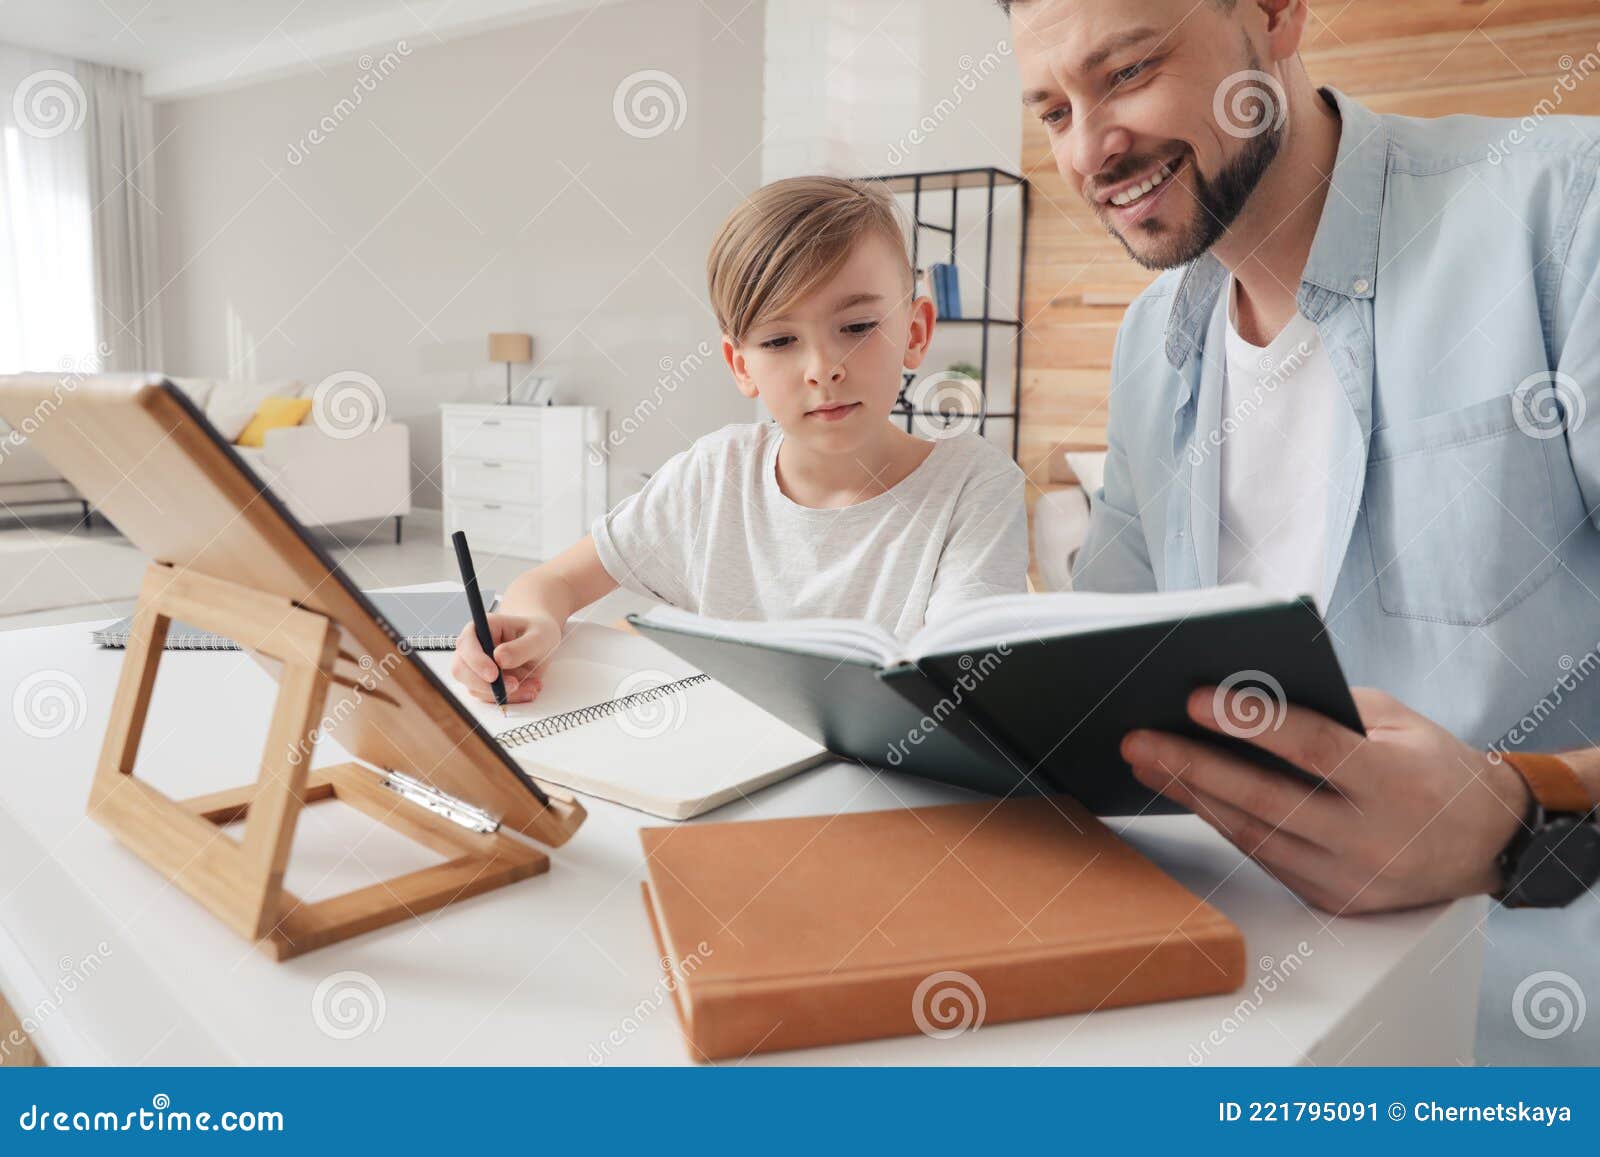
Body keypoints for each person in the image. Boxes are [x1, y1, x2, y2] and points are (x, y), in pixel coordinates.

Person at [1002, 0, 1600, 1062]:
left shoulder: (1561, 214)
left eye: (1129, 70)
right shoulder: (1154, 340)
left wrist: (1521, 812)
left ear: (1275, 15)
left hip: (1525, 1034)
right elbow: (1107, 674)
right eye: (1052, 110)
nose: (1091, 151)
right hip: (1227, 1016)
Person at [453, 175, 1028, 704]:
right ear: (740, 364)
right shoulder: (715, 472)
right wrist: (533, 623)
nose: (822, 369)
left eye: (856, 327)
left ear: (917, 331)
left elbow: (968, 689)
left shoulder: (975, 486)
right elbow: (550, 581)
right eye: (779, 340)